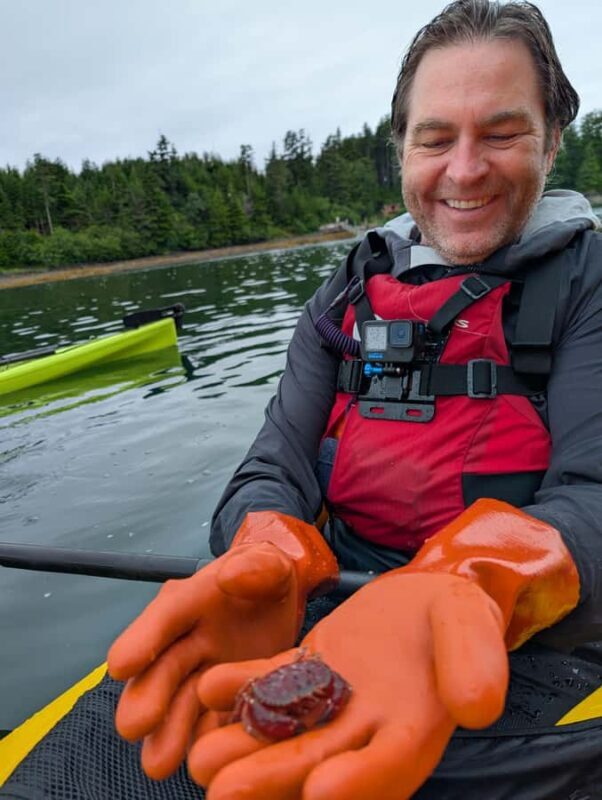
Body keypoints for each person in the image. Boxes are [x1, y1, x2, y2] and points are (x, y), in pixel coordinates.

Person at [37, 1, 602, 799]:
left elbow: (595, 495)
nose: (464, 168)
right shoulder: (347, 291)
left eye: (502, 135)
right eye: (436, 137)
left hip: (531, 639)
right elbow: (273, 464)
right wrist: (264, 550)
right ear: (402, 149)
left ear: (551, 140)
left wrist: (473, 581)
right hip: (335, 595)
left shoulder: (588, 282)